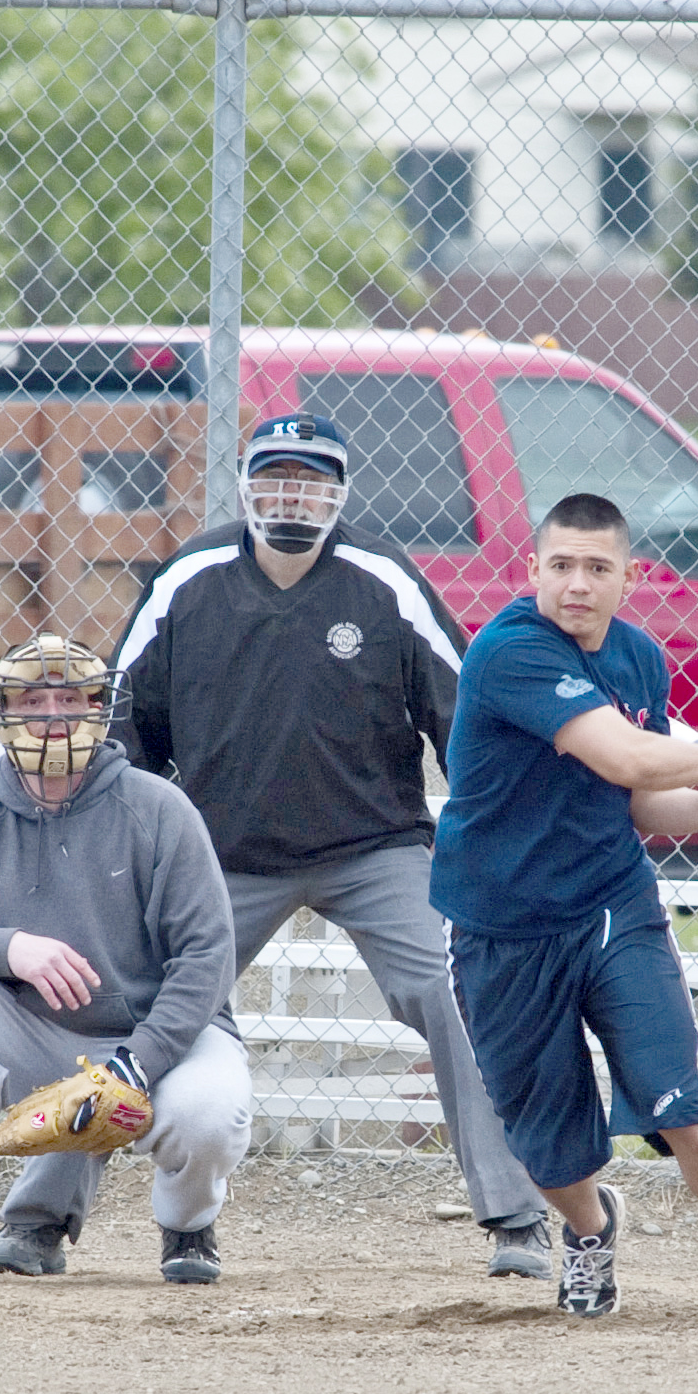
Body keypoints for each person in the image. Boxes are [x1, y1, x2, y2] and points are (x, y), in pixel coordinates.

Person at [114, 414, 552, 1279]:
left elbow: (465, 721)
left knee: (457, 988)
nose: (292, 497)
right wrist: (137, 855)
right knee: (132, 999)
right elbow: (122, 727)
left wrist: (496, 844)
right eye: (275, 479)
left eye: (311, 482)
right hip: (220, 854)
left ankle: (516, 1215)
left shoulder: (381, 579)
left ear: (340, 492)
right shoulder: (189, 579)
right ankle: (45, 1216)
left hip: (372, 846)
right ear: (244, 486)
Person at [429, 491, 698, 1326]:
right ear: (531, 569)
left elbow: (641, 805)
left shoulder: (640, 657)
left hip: (610, 905)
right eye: (561, 565)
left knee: (676, 1095)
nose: (577, 583)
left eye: (597, 568)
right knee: (544, 1140)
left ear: (629, 577)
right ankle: (589, 1226)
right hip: (500, 925)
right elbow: (620, 755)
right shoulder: (508, 651)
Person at [0, 633, 253, 1285]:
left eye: (70, 698)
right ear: (1, 711)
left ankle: (187, 1226)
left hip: (156, 1041)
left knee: (210, 1110)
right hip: (38, 1038)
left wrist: (137, 1061)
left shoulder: (157, 808)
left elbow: (205, 956)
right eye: (32, 699)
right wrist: (2, 946)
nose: (52, 715)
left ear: (99, 708)